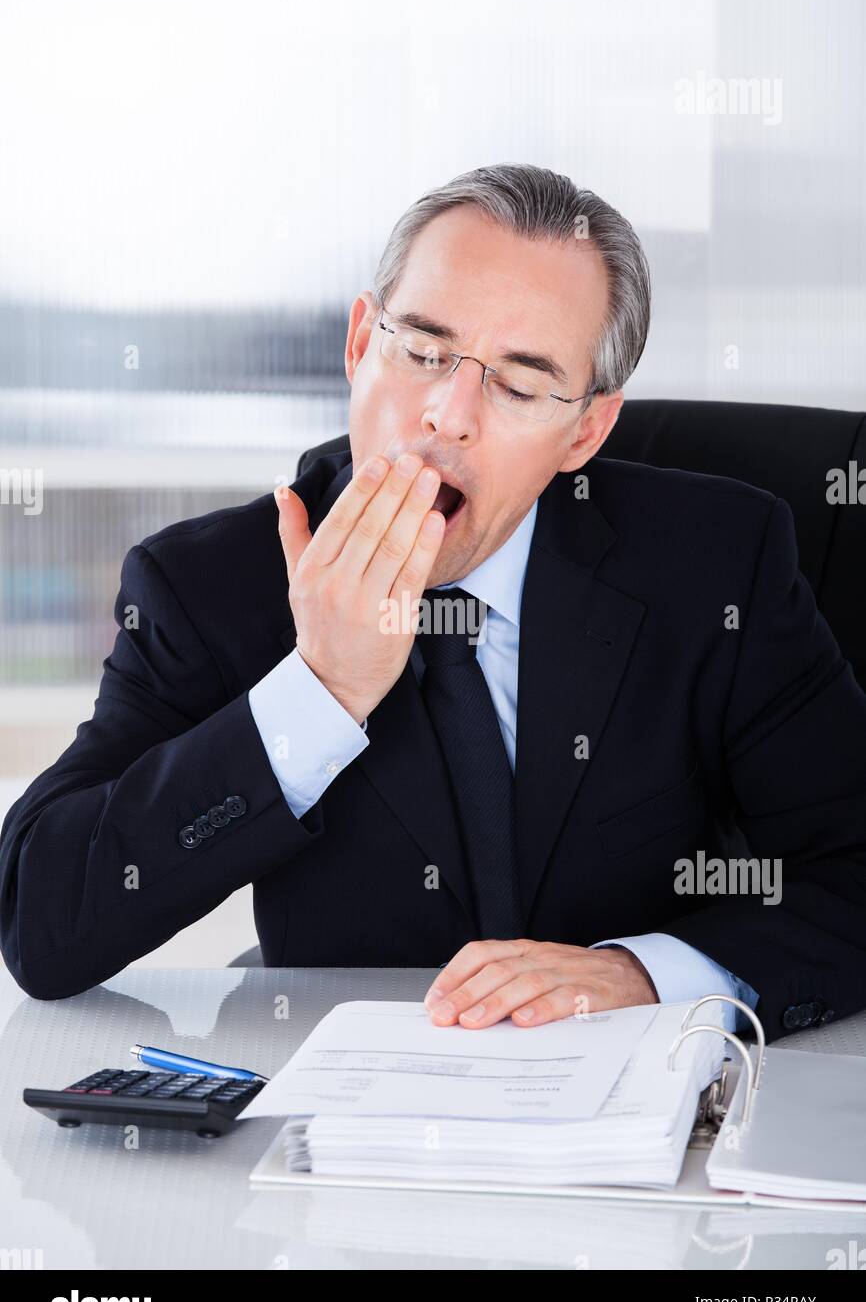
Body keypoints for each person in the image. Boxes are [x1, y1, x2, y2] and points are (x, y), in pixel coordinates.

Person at [2, 164, 864, 1043]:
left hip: (645, 1108)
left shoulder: (718, 564)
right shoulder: (206, 589)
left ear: (586, 432)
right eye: (421, 351)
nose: (448, 416)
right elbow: (42, 922)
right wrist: (322, 688)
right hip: (349, 1134)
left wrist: (642, 975)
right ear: (358, 344)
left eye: (519, 386)